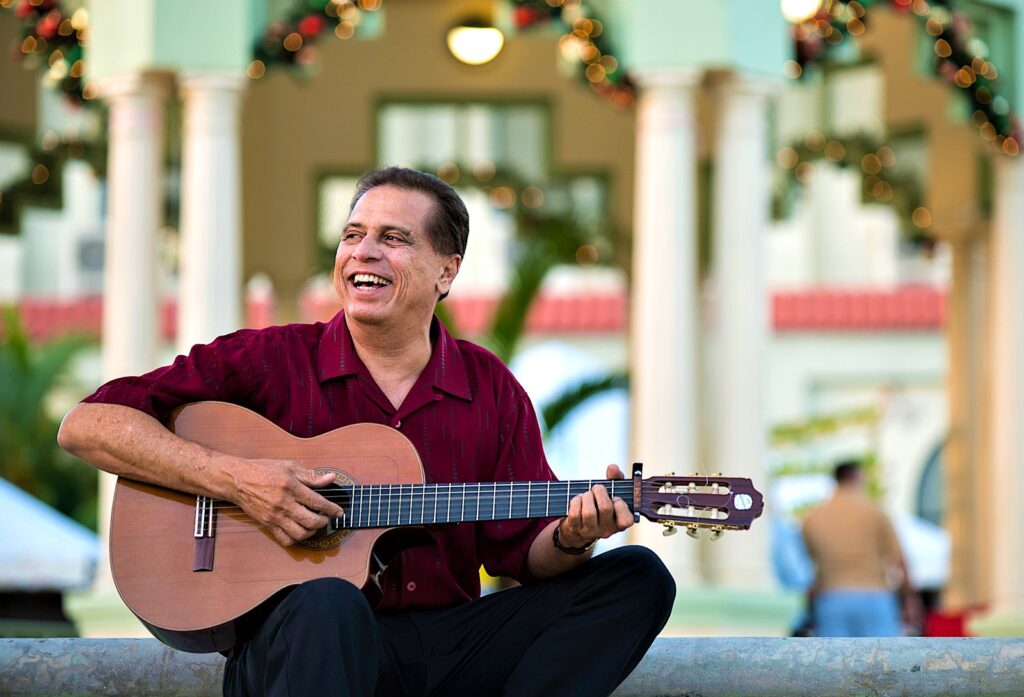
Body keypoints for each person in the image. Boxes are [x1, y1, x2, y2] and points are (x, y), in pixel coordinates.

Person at [58, 166, 675, 697]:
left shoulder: (490, 386)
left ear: (446, 271)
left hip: (450, 646)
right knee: (330, 598)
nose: (363, 252)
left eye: (393, 238)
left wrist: (571, 537)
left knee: (639, 577)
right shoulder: (268, 360)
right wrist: (240, 481)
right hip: (305, 650)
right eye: (353, 235)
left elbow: (526, 557)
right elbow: (87, 425)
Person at [801, 459, 919, 637]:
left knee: (834, 654)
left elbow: (811, 563)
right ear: (857, 477)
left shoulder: (813, 517)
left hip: (831, 598)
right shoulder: (875, 512)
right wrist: (910, 598)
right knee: (881, 653)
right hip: (874, 595)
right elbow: (898, 559)